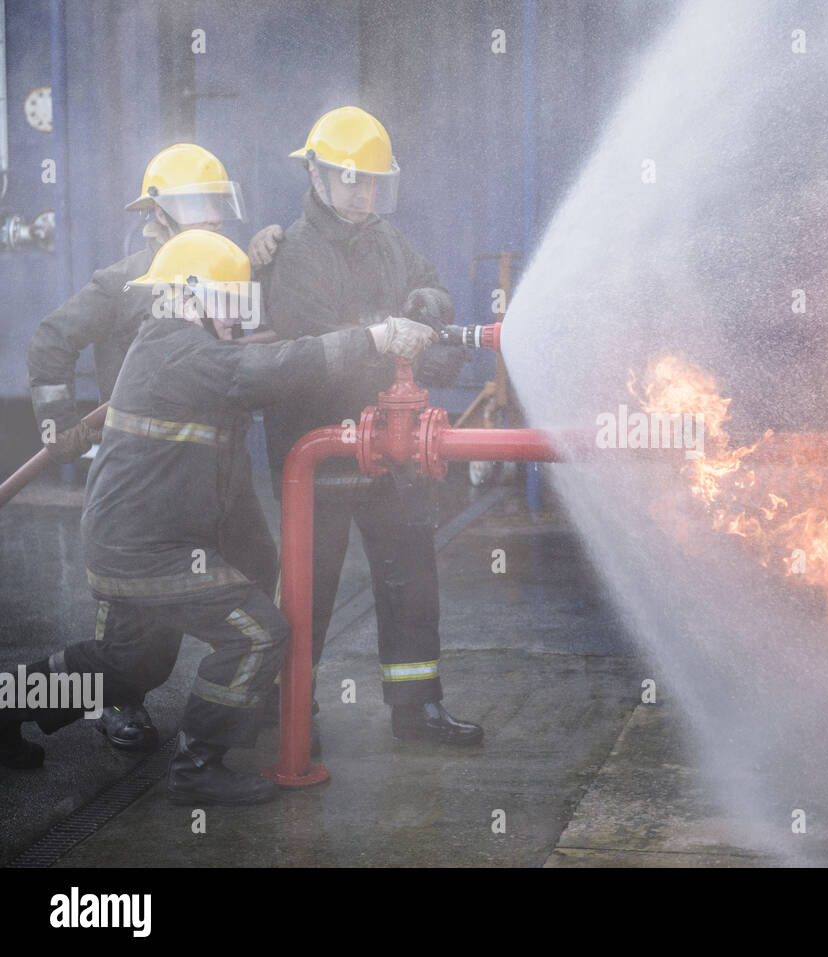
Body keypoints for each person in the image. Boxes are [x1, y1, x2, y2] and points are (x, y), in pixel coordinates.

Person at [1, 230, 436, 803]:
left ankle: (7, 705)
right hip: (146, 550)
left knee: (125, 662)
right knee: (258, 634)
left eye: (242, 305)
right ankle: (196, 766)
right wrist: (373, 339)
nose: (238, 319)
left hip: (133, 542)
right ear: (187, 298)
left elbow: (263, 367)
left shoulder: (188, 347)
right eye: (228, 304)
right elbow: (268, 370)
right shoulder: (175, 348)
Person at [25, 143, 283, 754]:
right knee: (137, 639)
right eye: (199, 204)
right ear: (159, 214)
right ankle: (115, 699)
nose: (213, 217)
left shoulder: (228, 268)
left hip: (220, 470)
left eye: (218, 204)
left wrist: (275, 250)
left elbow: (273, 344)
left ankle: (250, 690)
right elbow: (51, 340)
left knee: (256, 574)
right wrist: (60, 423)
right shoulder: (124, 282)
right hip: (147, 476)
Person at [262, 106, 481, 747]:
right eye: (352, 179)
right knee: (310, 584)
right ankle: (293, 712)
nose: (364, 193)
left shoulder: (386, 239)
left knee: (410, 572)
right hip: (321, 449)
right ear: (316, 175)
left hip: (390, 448)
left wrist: (426, 309)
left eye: (373, 181)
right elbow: (317, 351)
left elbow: (433, 288)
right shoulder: (295, 255)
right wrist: (394, 343)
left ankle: (418, 710)